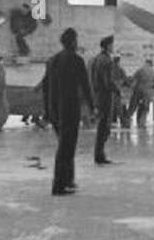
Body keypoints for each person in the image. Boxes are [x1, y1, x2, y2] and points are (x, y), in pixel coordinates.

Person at [43, 27, 94, 195]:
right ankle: (58, 186)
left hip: (55, 110)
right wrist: (92, 107)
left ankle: (68, 180)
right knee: (66, 149)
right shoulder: (76, 60)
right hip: (70, 109)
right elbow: (86, 86)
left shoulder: (52, 61)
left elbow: (45, 86)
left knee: (66, 146)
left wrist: (47, 110)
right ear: (73, 42)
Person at [89, 35, 119, 164]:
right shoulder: (107, 60)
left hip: (98, 94)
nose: (113, 47)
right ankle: (100, 156)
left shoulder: (96, 59)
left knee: (102, 125)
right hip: (106, 96)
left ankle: (99, 154)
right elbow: (108, 81)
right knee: (105, 126)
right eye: (112, 45)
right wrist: (116, 90)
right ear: (107, 46)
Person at [131, 58, 154, 127]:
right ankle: (141, 122)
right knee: (145, 107)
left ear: (146, 63)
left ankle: (127, 121)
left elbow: (133, 79)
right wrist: (153, 85)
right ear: (151, 64)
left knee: (133, 106)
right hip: (147, 92)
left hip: (137, 90)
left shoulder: (140, 70)